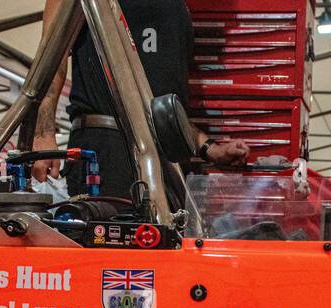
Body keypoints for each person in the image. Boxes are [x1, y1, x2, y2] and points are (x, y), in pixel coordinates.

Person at [31, 0, 249, 198]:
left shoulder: (177, 9)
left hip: (167, 160)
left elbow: (161, 102)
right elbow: (50, 61)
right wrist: (43, 135)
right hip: (108, 150)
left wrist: (208, 148)